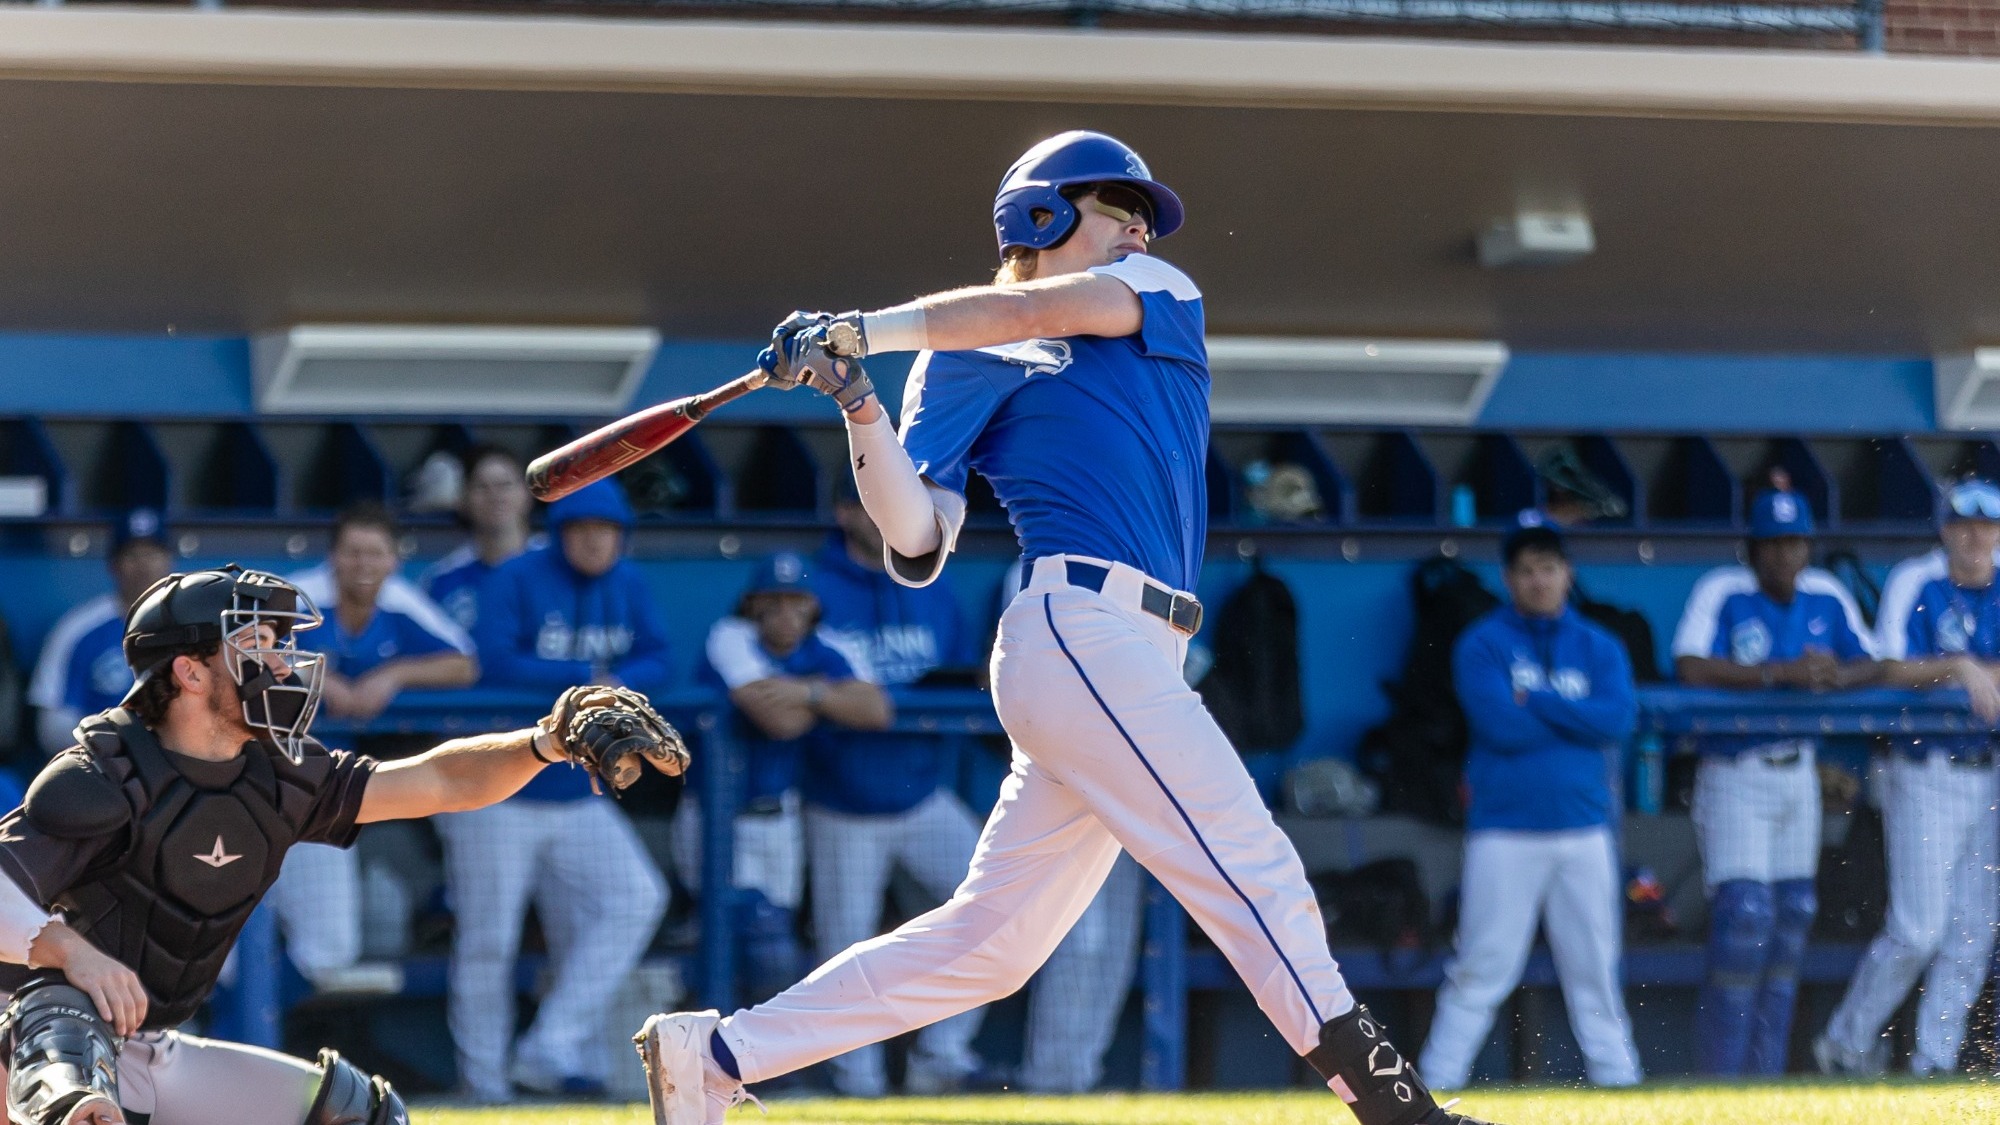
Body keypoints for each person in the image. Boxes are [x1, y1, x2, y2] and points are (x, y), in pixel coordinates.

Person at [637, 130, 1494, 1125]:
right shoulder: (953, 363)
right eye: (1112, 203)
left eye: (1139, 211)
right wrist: (857, 403)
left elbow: (1032, 308)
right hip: (1076, 628)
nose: (1138, 223)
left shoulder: (1154, 289)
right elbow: (915, 540)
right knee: (1247, 855)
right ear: (1037, 214)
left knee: (992, 944)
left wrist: (859, 329)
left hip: (1131, 650)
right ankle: (1397, 1110)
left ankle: (718, 1053)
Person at [0, 564, 685, 1125]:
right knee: (68, 1062)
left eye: (277, 640)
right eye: (256, 642)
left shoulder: (279, 773)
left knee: (364, 1116)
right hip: (27, 1048)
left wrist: (544, 742)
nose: (279, 659)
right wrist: (67, 948)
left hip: (146, 1049)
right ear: (190, 670)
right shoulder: (104, 772)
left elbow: (438, 777)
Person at [443, 478, 672, 1102]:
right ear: (561, 533)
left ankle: (551, 1046)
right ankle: (485, 1086)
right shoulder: (515, 577)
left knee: (635, 897)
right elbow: (492, 661)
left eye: (606, 531)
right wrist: (589, 682)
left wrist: (616, 681)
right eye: (582, 530)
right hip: (498, 792)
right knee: (488, 942)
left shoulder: (628, 583)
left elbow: (660, 655)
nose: (595, 541)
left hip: (576, 794)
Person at [1417, 521, 1643, 1089]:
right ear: (1508, 578)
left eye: (1548, 567)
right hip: (1505, 831)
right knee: (1480, 969)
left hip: (1583, 828)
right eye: (1526, 570)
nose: (1538, 580)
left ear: (1567, 573)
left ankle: (1619, 1083)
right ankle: (1433, 1085)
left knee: (1594, 972)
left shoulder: (1599, 644)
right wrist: (1573, 716)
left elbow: (1616, 721)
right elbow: (1500, 727)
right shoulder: (1482, 642)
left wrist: (1536, 699)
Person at [1672, 484, 1881, 1076]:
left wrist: (1832, 674)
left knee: (1791, 919)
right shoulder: (1723, 591)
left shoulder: (1828, 594)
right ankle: (1721, 1079)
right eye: (1772, 544)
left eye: (1794, 543)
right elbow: (1688, 666)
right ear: (1751, 549)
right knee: (1745, 917)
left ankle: (1763, 1081)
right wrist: (1776, 674)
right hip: (1736, 772)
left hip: (1798, 775)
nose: (1784, 556)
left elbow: (1874, 662)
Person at [1815, 478, 2000, 1077]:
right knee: (1919, 929)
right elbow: (1888, 667)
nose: (1975, 537)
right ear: (1944, 528)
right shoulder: (1916, 579)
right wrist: (1959, 665)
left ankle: (1933, 1062)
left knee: (1973, 931)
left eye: (1987, 526)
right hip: (1923, 769)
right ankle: (1845, 1044)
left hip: (1989, 772)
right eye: (1964, 525)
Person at [804, 508, 988, 1095]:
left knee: (991, 907)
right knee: (844, 950)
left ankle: (943, 1054)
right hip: (840, 801)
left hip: (921, 793)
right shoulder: (812, 588)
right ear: (843, 512)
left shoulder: (930, 585)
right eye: (867, 501)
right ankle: (855, 1084)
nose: (883, 512)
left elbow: (964, 680)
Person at [677, 553, 894, 1015]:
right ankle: (717, 1059)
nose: (784, 614)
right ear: (753, 606)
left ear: (812, 607)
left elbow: (876, 710)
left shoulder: (828, 646)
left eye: (795, 603)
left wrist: (805, 692)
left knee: (774, 947)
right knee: (735, 940)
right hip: (717, 816)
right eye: (772, 602)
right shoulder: (730, 637)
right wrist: (825, 697)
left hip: (781, 816)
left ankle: (772, 1068)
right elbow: (779, 722)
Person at [273, 503, 477, 989]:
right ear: (333, 558)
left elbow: (464, 665)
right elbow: (244, 653)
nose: (363, 564)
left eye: (375, 554)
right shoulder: (297, 597)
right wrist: (317, 670)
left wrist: (394, 674)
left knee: (326, 946)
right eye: (353, 553)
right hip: (263, 774)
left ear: (393, 561)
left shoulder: (400, 601)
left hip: (323, 787)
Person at [28, 510, 175, 757]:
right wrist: (112, 746)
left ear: (169, 560)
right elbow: (51, 725)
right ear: (113, 565)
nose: (143, 565)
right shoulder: (77, 629)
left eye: (152, 554)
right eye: (132, 555)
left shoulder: (195, 626)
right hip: (101, 771)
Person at [422, 444, 537, 635]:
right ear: (463, 499)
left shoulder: (558, 566)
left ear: (527, 494)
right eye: (482, 487)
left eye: (505, 485)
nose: (495, 496)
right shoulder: (440, 581)